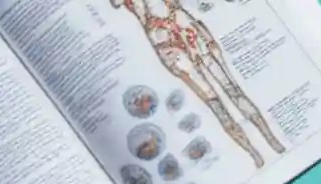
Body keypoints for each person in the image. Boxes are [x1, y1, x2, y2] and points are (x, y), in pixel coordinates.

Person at [110, 0, 286, 168]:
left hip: (183, 26)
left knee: (231, 88)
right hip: (165, 41)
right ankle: (252, 151)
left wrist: (206, 36)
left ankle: (270, 138)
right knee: (213, 101)